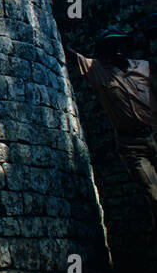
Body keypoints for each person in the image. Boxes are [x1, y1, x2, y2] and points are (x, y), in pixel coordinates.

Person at [61, 24, 157, 234]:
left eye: (120, 43)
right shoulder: (96, 70)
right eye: (111, 45)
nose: (117, 49)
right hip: (132, 145)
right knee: (153, 193)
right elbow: (69, 53)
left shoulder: (145, 67)